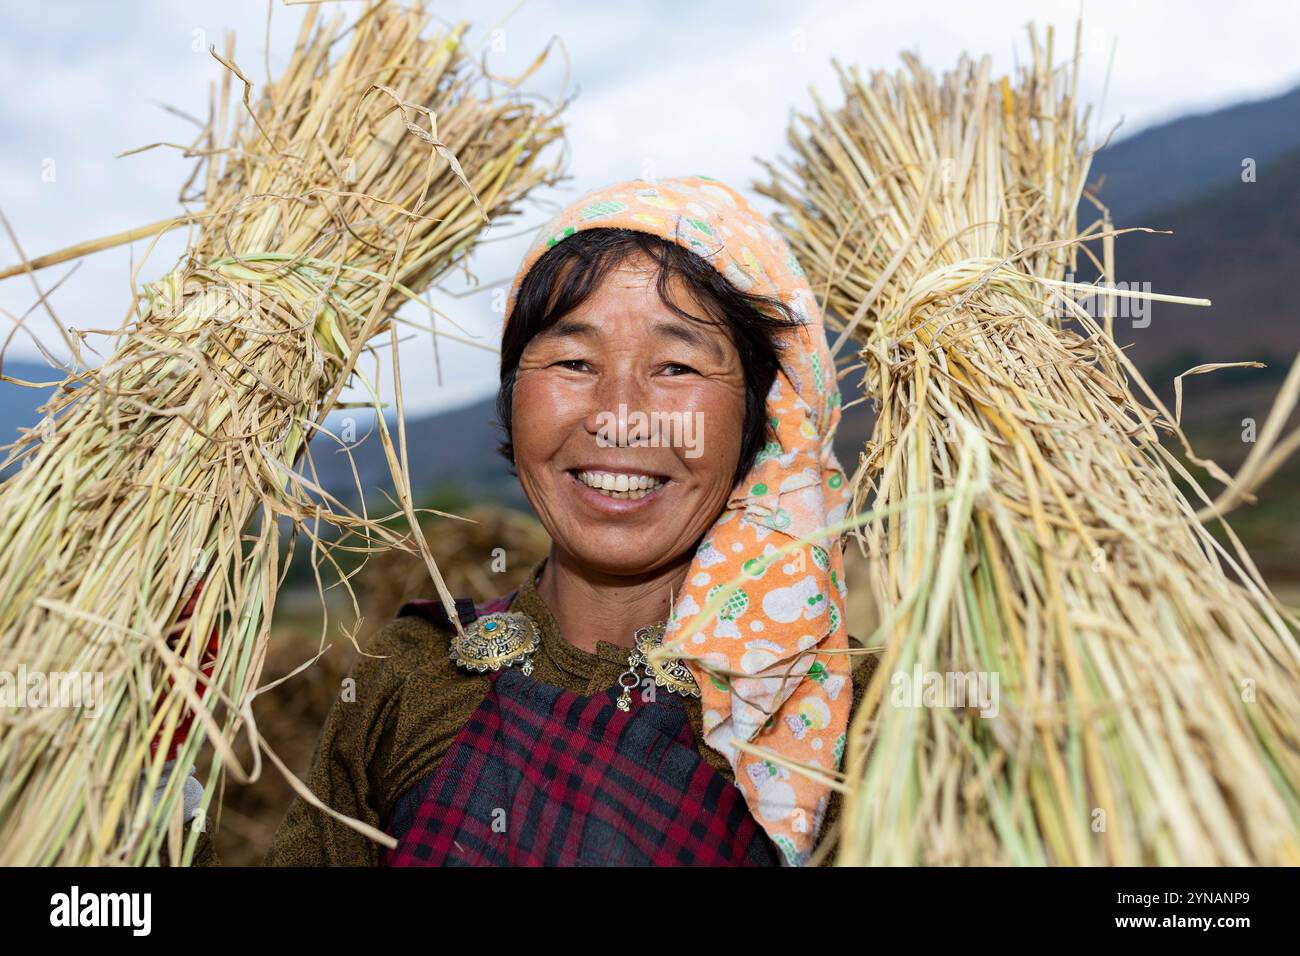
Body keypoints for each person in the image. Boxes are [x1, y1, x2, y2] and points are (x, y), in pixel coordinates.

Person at [196, 175, 875, 867]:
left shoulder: (844, 719)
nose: (617, 416)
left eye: (675, 366)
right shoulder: (411, 674)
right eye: (574, 361)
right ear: (514, 398)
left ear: (760, 421)